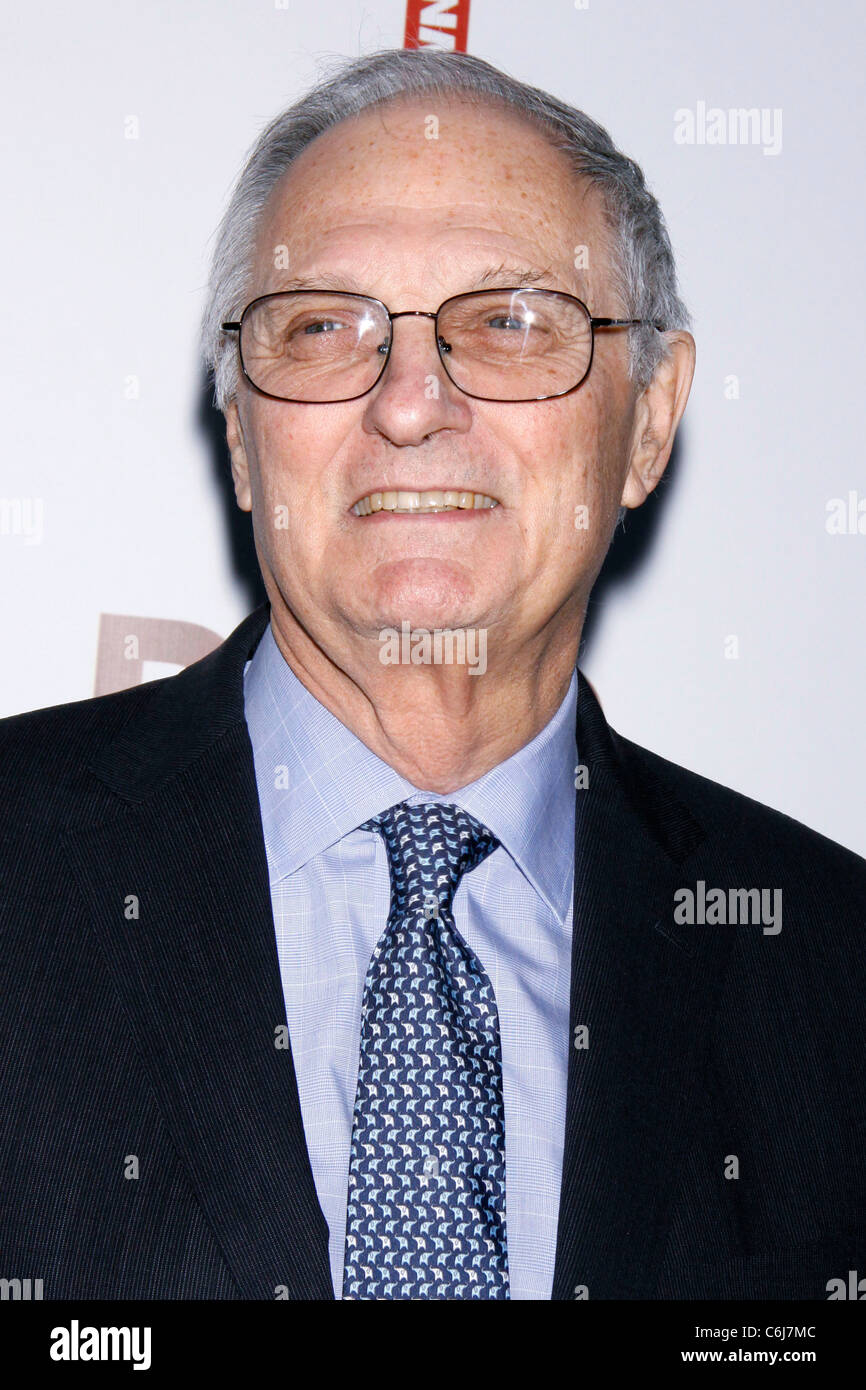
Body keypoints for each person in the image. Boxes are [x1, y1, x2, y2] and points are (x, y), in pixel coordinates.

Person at [1, 47, 863, 1302]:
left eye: (510, 322)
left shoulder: (830, 973)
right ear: (241, 432)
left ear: (650, 418)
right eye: (321, 326)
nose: (410, 402)